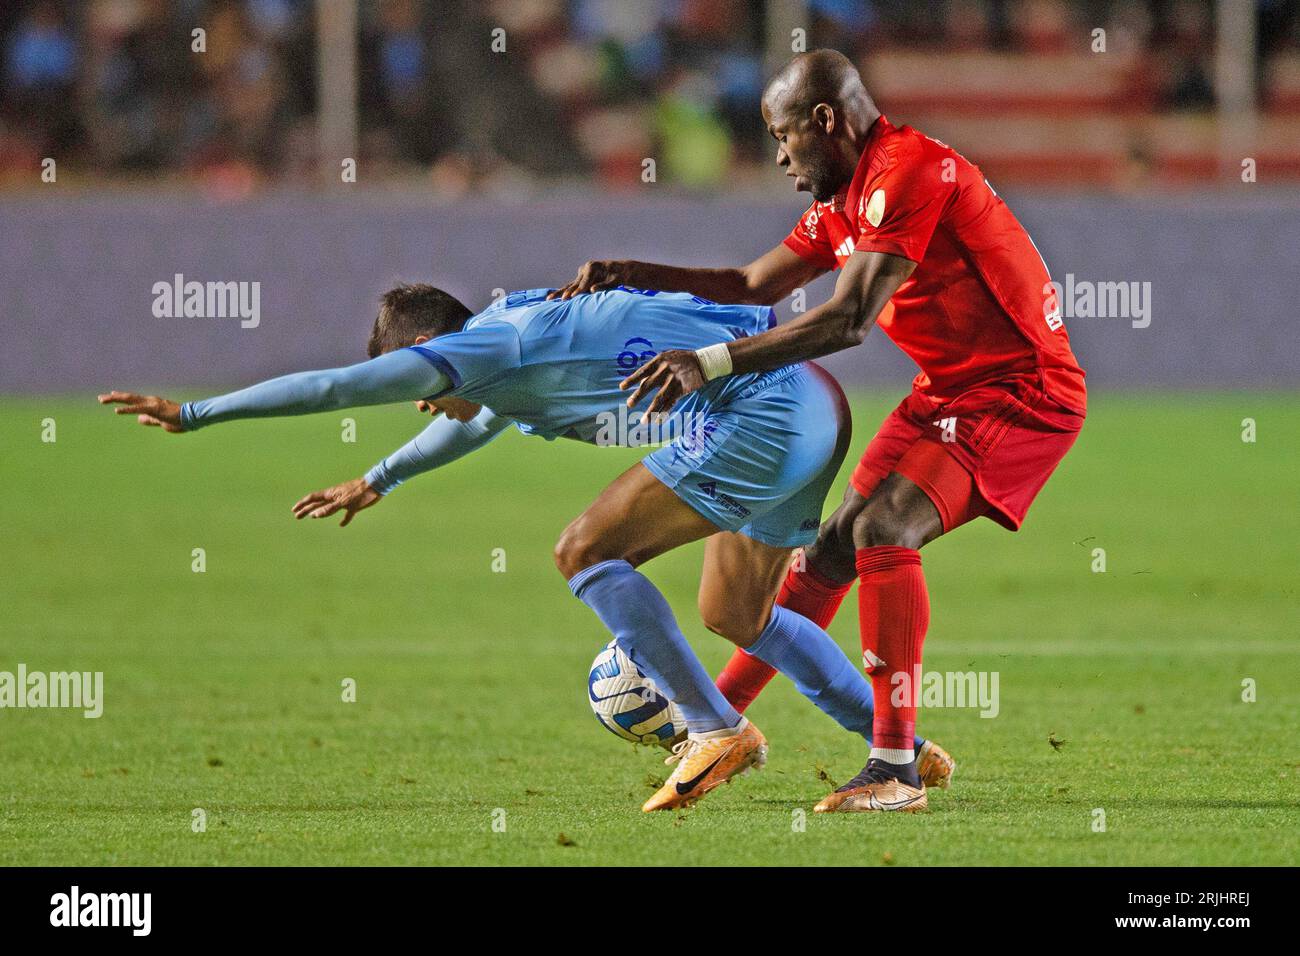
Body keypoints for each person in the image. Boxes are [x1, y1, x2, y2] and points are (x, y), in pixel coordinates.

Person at [99, 282, 953, 812]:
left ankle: (712, 728)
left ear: (432, 356)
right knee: (738, 610)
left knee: (583, 549)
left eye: (423, 391)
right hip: (812, 404)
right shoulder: (516, 337)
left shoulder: (486, 348)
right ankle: (898, 753)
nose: (424, 407)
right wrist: (380, 479)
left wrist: (196, 413)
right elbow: (476, 422)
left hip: (755, 414)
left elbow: (333, 385)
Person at [552, 49, 1086, 813]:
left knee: (883, 531)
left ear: (825, 122)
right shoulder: (846, 198)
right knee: (830, 549)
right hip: (945, 393)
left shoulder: (908, 171)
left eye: (783, 135)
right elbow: (749, 284)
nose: (780, 156)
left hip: (1021, 392)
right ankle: (723, 726)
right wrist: (637, 270)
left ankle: (895, 771)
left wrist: (710, 363)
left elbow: (848, 320)